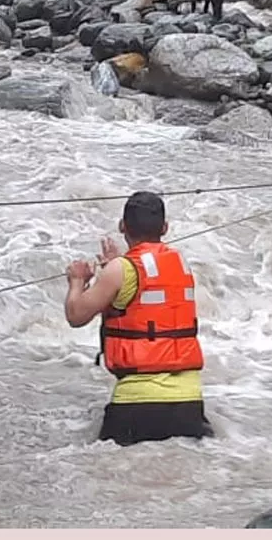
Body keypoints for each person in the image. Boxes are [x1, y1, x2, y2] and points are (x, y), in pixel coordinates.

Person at [63, 191, 213, 446]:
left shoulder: (119, 270)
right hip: (189, 404)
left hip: (136, 405)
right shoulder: (180, 262)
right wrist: (113, 267)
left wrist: (78, 281)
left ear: (123, 226)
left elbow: (76, 315)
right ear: (165, 228)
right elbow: (144, 290)